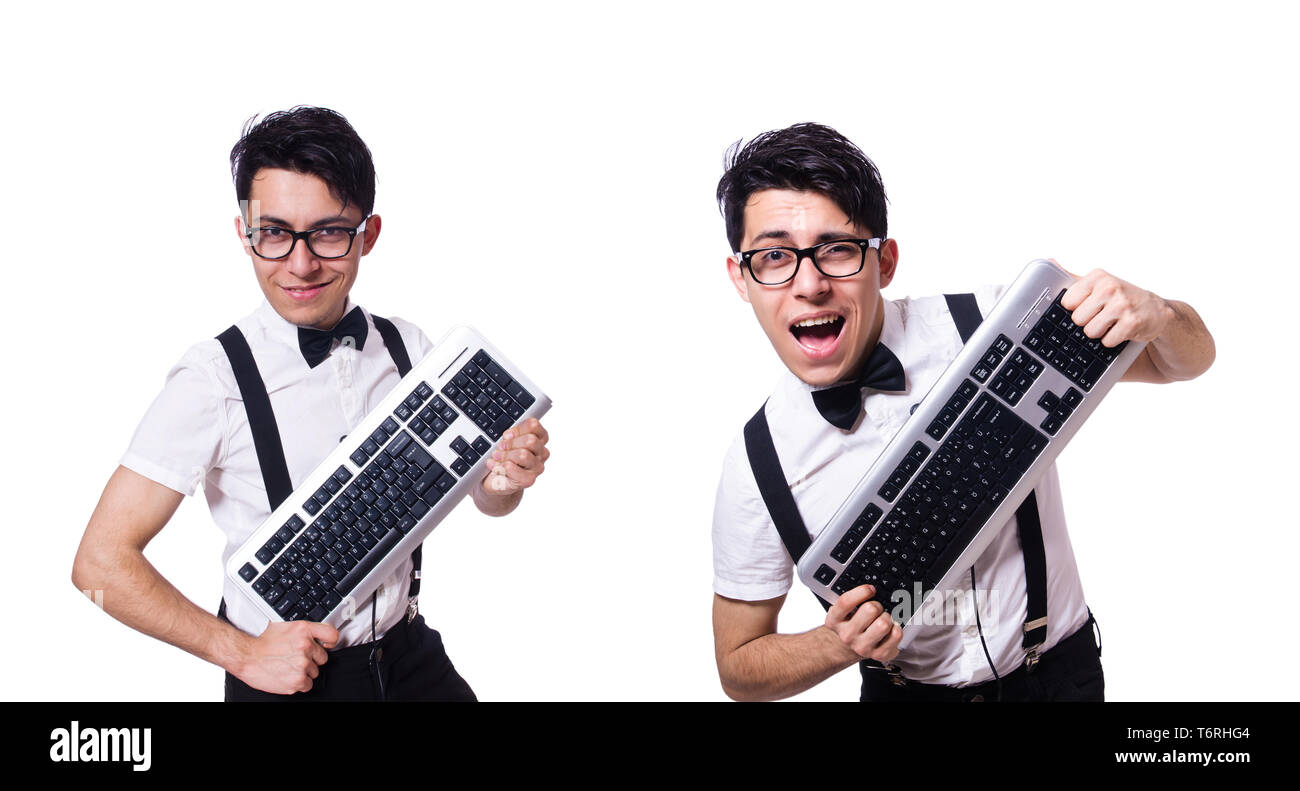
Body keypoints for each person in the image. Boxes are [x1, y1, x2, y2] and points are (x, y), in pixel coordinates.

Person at [709, 122, 1214, 702]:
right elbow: (738, 668)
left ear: (886, 261)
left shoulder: (997, 324)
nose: (810, 284)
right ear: (741, 279)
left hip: (1059, 679)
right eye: (774, 257)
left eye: (838, 250)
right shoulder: (757, 464)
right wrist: (835, 645)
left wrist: (1160, 315)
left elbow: (1185, 362)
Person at [71, 106, 550, 701]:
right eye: (274, 232)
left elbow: (484, 496)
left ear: (367, 235)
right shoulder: (212, 381)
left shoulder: (410, 349)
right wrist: (240, 653)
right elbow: (98, 565)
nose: (300, 264)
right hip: (286, 680)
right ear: (244, 234)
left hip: (409, 657)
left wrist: (505, 482)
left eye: (328, 231)